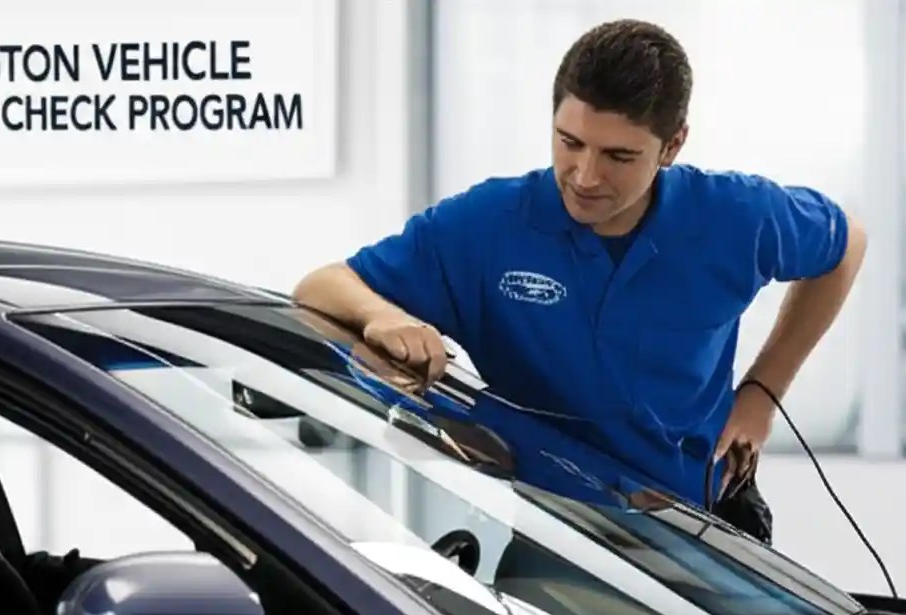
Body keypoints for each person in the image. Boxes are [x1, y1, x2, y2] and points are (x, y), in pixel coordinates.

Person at [293, 18, 867, 544]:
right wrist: (385, 315)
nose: (586, 176)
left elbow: (846, 247)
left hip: (703, 526)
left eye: (619, 155)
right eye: (570, 143)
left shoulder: (737, 216)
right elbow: (321, 286)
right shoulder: (486, 225)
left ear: (672, 146)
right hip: (557, 537)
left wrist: (763, 393)